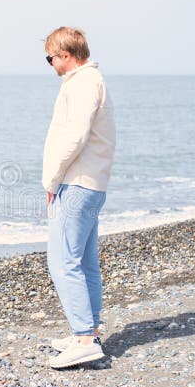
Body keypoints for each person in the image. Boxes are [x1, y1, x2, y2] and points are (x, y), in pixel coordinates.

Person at [42, 26, 116, 369]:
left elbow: (74, 137)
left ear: (66, 55)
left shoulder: (84, 83)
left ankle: (85, 337)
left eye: (50, 58)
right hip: (90, 183)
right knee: (85, 262)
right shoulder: (89, 82)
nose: (50, 64)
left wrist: (52, 179)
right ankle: (88, 332)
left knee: (62, 261)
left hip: (77, 183)